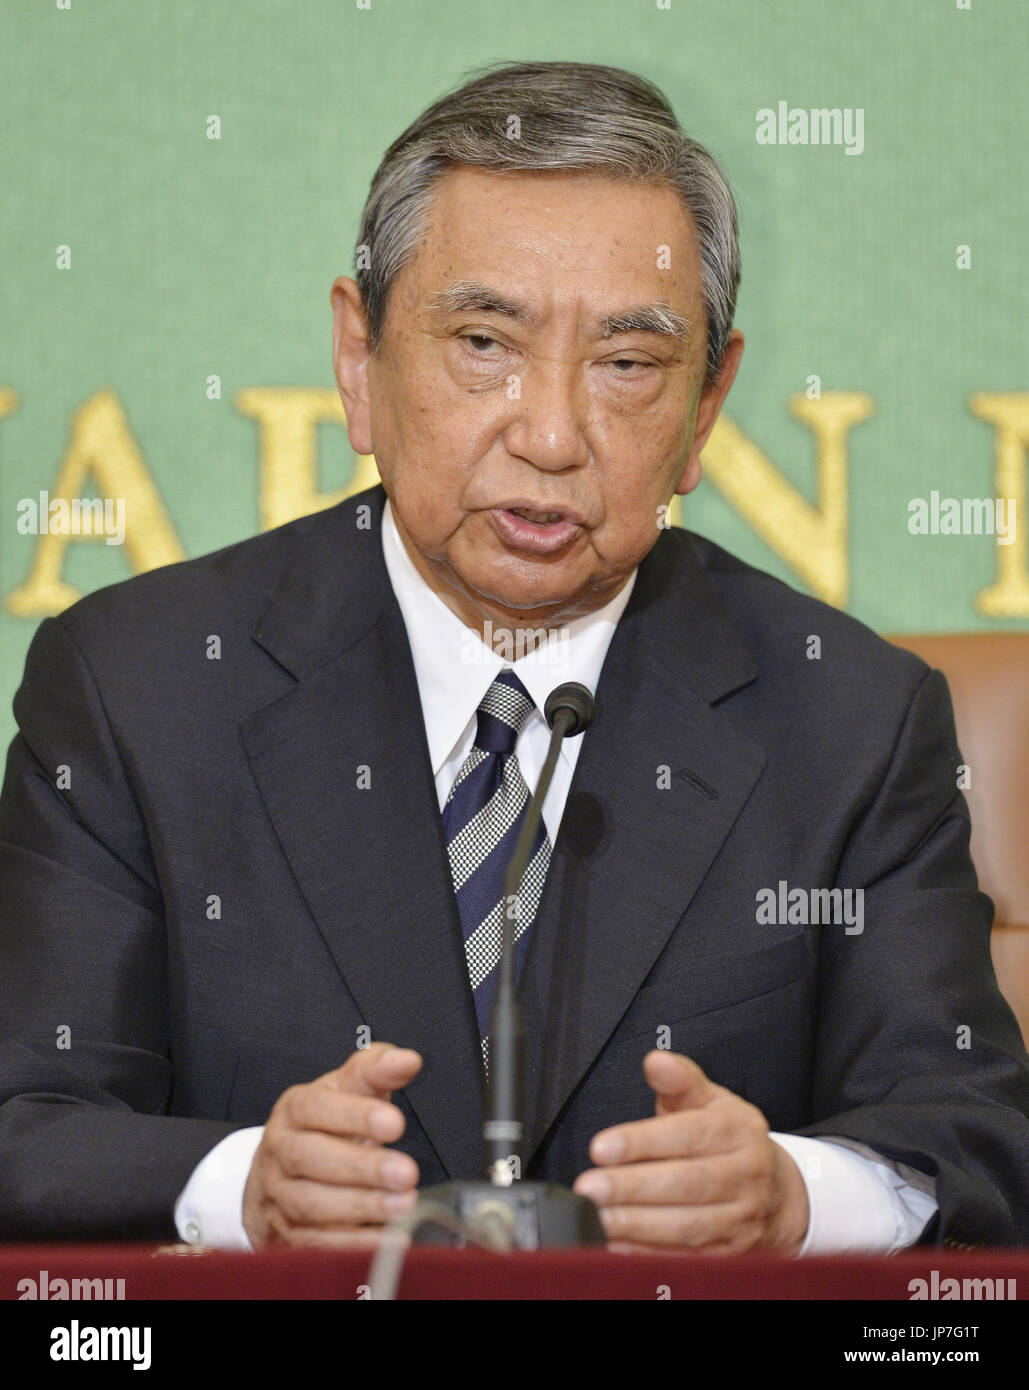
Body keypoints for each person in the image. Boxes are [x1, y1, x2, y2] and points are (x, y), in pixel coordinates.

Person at [2, 61, 1028, 1256]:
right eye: (484, 341)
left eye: (628, 365)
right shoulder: (140, 688)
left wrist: (798, 1195)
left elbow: (976, 1137)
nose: (549, 435)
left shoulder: (849, 720)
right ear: (358, 357)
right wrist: (245, 1184)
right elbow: (29, 1117)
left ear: (706, 407)